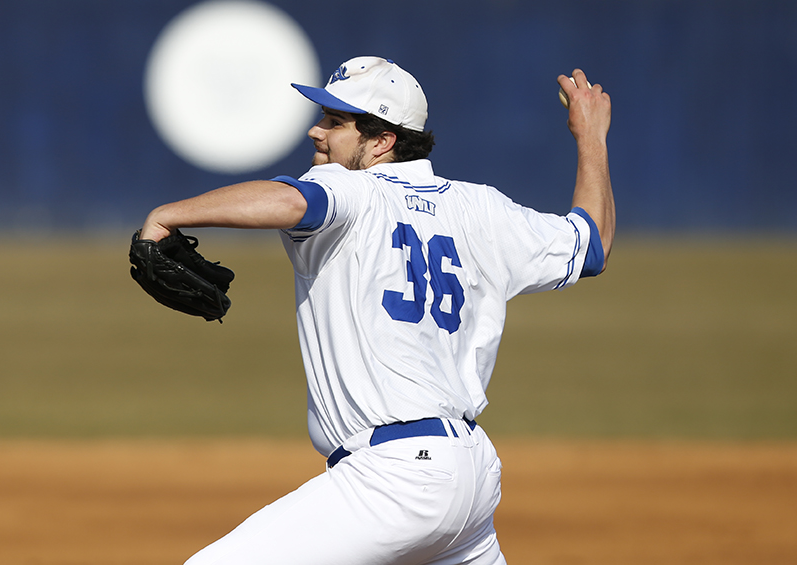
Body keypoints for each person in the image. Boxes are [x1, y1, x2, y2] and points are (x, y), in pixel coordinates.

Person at [139, 56, 614, 565]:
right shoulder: (483, 208)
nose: (316, 131)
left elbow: (293, 201)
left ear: (383, 141)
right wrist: (591, 137)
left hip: (394, 481)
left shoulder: (350, 189)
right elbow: (591, 245)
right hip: (471, 476)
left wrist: (168, 215)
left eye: (335, 122)